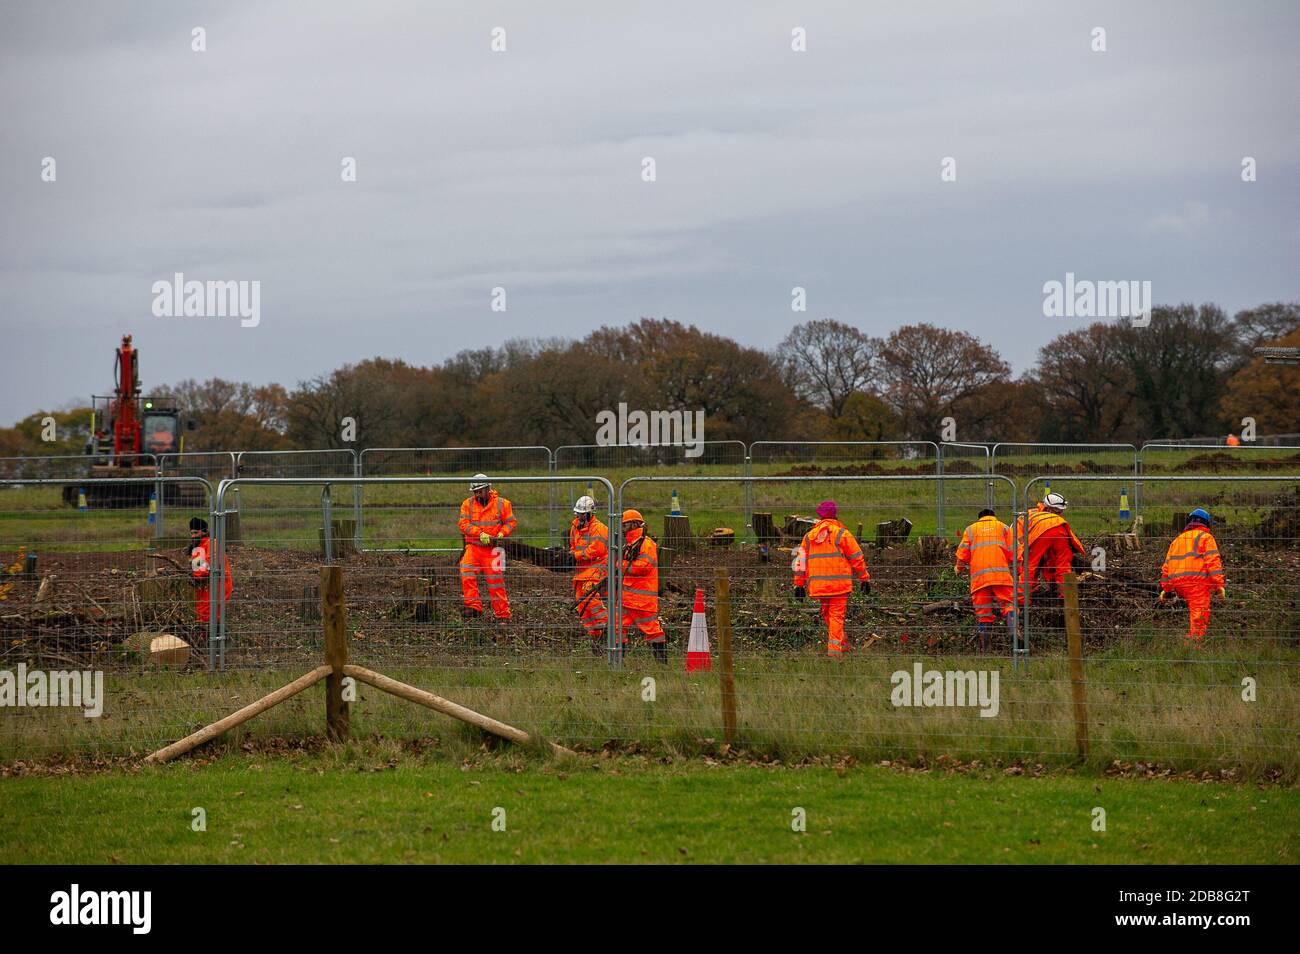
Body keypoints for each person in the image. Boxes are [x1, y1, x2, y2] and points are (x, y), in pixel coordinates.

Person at [792, 500, 870, 657]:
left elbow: (800, 562)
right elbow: (857, 558)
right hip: (839, 586)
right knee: (835, 616)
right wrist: (864, 579)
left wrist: (799, 585)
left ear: (820, 516)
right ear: (835, 515)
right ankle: (835, 654)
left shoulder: (809, 537)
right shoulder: (842, 534)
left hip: (820, 586)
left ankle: (843, 645)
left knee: (828, 614)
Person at [1159, 508, 1226, 648]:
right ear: (1206, 523)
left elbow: (1166, 567)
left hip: (1178, 584)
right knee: (1199, 617)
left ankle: (1189, 646)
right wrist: (1219, 585)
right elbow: (1213, 562)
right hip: (1196, 584)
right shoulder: (1206, 538)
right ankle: (1193, 648)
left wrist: (1166, 589)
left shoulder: (1177, 541)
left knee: (1195, 615)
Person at [456, 474, 516, 620]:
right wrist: (479, 534)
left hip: (494, 550)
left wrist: (503, 533)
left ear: (488, 488)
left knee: (496, 582)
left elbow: (511, 522)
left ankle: (503, 615)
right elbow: (463, 524)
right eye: (475, 492)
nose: (477, 494)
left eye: (480, 491)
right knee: (466, 571)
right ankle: (473, 607)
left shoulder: (503, 504)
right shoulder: (467, 504)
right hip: (474, 547)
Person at [954, 508, 1014, 650]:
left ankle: (986, 647)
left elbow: (962, 555)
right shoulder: (1003, 527)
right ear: (993, 517)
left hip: (979, 578)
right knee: (1008, 604)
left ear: (979, 518)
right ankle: (1013, 631)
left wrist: (958, 569)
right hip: (1001, 576)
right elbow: (1014, 551)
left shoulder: (970, 529)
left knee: (983, 613)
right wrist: (1017, 568)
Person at [1016, 491, 1086, 605]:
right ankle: (1066, 597)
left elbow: (1018, 539)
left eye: (1060, 512)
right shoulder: (1054, 519)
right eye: (1057, 511)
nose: (1059, 514)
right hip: (1060, 530)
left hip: (1043, 534)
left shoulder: (1028, 515)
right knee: (1064, 565)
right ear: (1048, 508)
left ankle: (1022, 601)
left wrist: (1022, 554)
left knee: (1029, 566)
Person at [619, 509, 668, 662]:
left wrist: (621, 565)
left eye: (625, 525)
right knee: (617, 628)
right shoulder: (631, 543)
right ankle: (616, 663)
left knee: (652, 630)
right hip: (628, 598)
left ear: (634, 524)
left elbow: (643, 567)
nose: (622, 528)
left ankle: (662, 663)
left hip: (642, 600)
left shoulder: (646, 544)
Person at [569, 495, 609, 649]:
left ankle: (607, 628)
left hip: (597, 568)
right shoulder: (575, 528)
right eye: (578, 513)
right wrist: (572, 555)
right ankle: (596, 637)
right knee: (582, 606)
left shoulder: (599, 528)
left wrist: (575, 556)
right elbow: (573, 545)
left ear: (590, 514)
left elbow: (596, 550)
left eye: (582, 513)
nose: (579, 516)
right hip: (582, 571)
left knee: (590, 598)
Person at [188, 516, 232, 624]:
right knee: (202, 612)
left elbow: (208, 564)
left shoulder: (212, 544)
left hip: (217, 585)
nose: (193, 536)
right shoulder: (199, 547)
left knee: (208, 615)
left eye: (195, 533)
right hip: (206, 586)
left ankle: (211, 638)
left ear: (204, 531)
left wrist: (194, 575)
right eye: (191, 533)